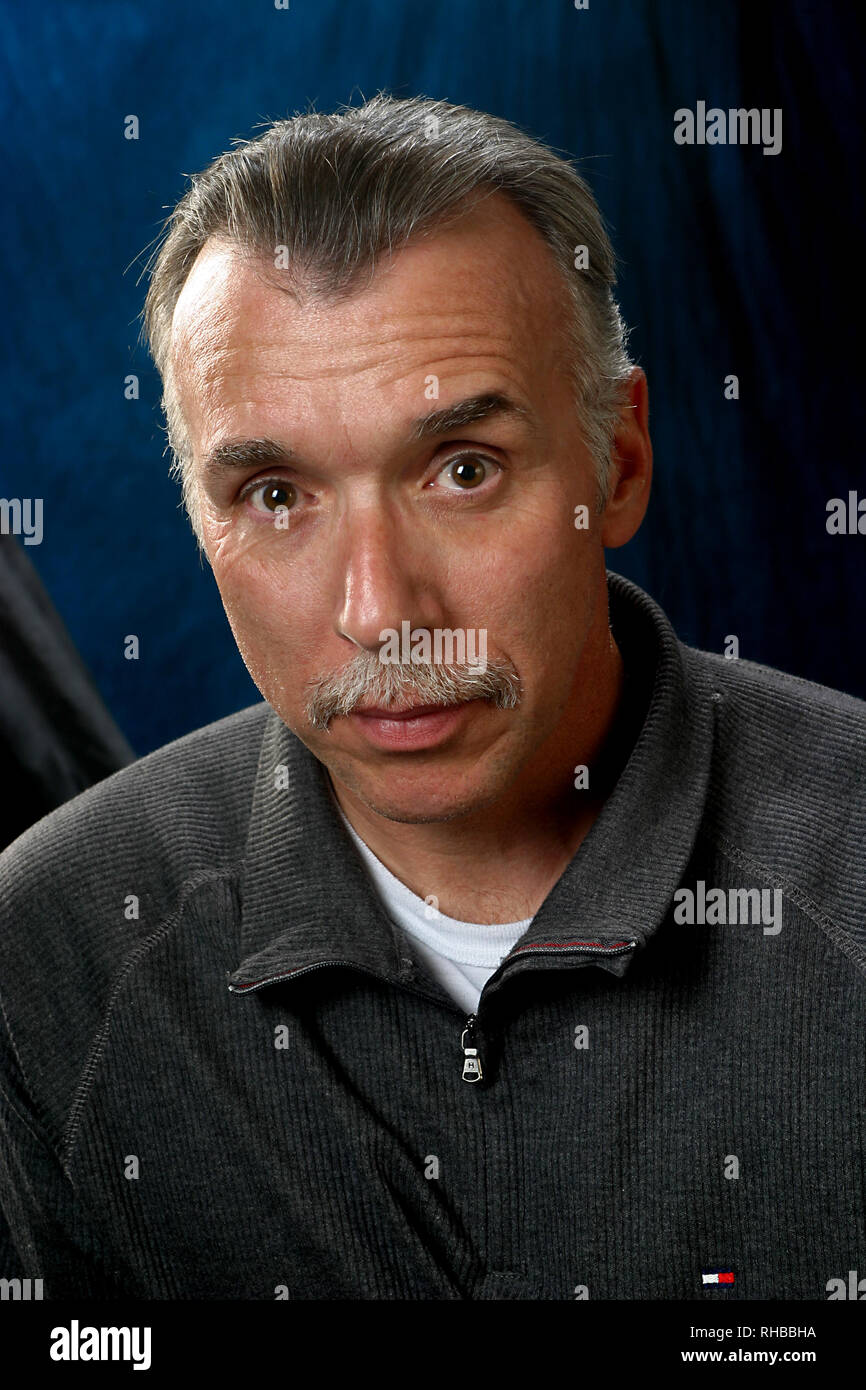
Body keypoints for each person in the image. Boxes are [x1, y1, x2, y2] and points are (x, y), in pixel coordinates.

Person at [0, 94, 863, 1301]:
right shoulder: (47, 954)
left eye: (462, 470)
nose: (378, 610)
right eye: (274, 495)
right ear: (197, 518)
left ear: (617, 459)